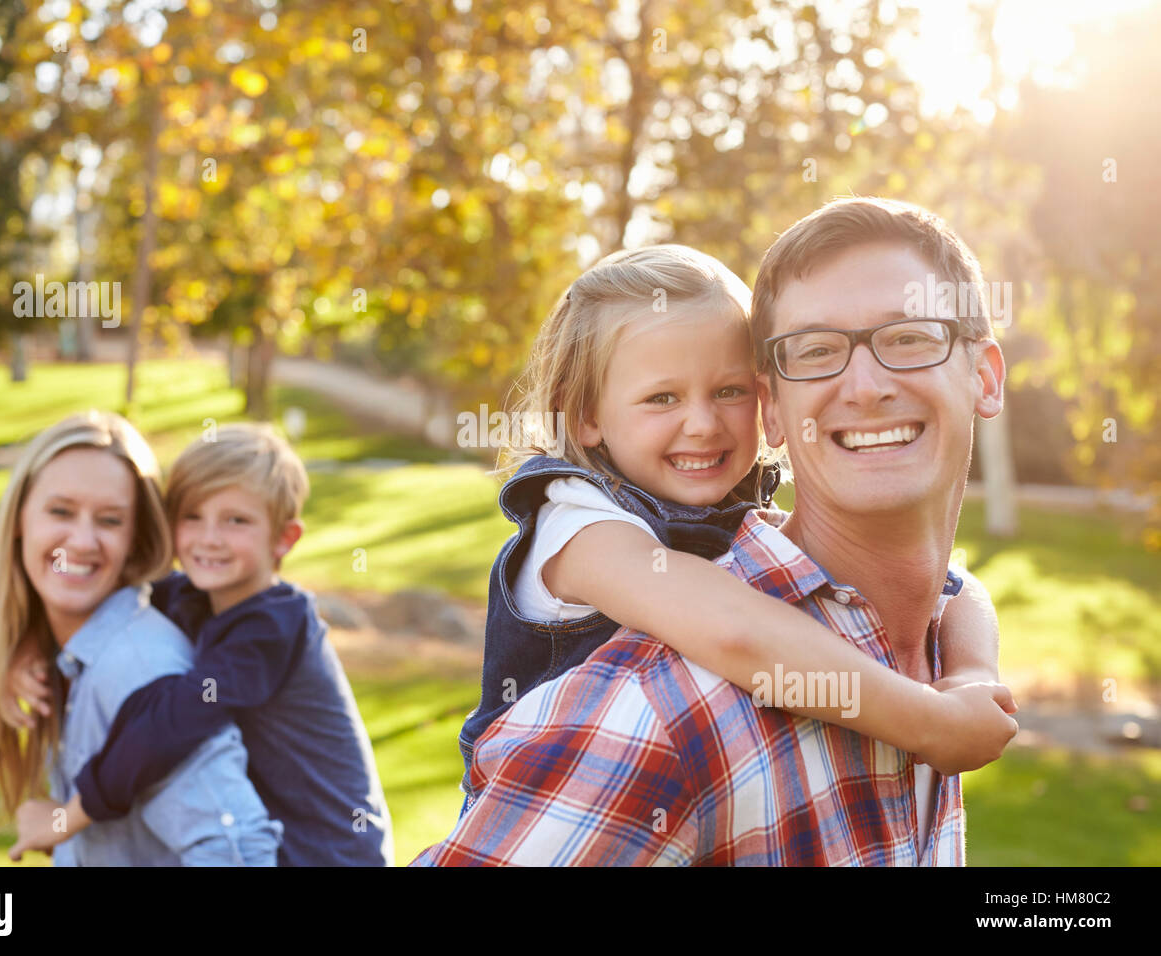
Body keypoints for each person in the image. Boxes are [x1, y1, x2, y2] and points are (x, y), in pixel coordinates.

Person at [416, 198, 1020, 865]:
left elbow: (962, 589)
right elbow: (732, 628)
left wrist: (968, 677)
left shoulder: (910, 641)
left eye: (908, 337)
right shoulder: (584, 538)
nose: (867, 384)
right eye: (816, 351)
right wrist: (930, 722)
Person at [6, 423, 393, 866]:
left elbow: (166, 727)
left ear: (284, 539)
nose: (209, 538)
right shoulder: (190, 598)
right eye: (192, 516)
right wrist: (28, 652)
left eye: (236, 520)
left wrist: (68, 817)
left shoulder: (271, 629)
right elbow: (90, 609)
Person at [0, 410, 281, 865]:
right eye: (60, 511)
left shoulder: (138, 667)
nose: (81, 541)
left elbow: (240, 854)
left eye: (110, 521)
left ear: (136, 538)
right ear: (20, 519)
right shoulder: (75, 659)